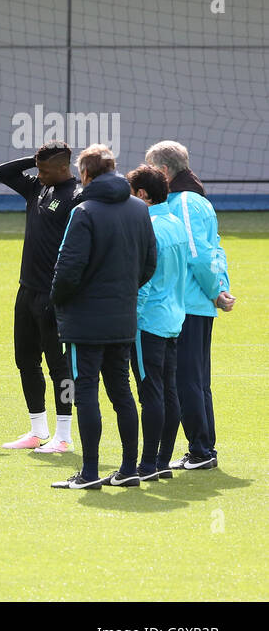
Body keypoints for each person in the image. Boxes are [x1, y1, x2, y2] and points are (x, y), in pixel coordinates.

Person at [50, 145, 155, 490]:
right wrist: (123, 291)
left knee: (86, 393)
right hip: (122, 318)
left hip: (85, 321)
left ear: (85, 174)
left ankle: (90, 472)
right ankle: (128, 469)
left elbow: (67, 269)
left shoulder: (84, 212)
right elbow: (149, 263)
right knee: (122, 393)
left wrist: (59, 302)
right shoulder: (140, 209)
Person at [144, 141, 233, 470]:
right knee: (197, 379)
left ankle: (200, 450)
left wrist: (215, 292)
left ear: (164, 171)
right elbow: (215, 251)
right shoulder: (198, 199)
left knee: (185, 380)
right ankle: (204, 447)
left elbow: (197, 254)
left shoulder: (182, 202)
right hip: (199, 303)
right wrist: (220, 288)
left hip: (190, 305)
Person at [0, 141, 79, 453]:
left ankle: (64, 435)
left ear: (63, 168)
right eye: (37, 169)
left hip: (53, 295)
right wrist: (37, 159)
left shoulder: (76, 197)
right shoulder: (37, 188)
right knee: (25, 360)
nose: (37, 174)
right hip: (26, 290)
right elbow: (1, 172)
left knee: (60, 367)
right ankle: (37, 429)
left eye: (44, 169)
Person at [127, 164, 204, 481]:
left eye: (132, 194)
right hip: (174, 318)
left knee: (150, 394)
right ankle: (161, 461)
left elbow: (144, 281)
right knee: (168, 392)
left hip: (148, 323)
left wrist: (132, 318)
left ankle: (147, 465)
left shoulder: (149, 228)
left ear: (142, 194)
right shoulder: (175, 225)